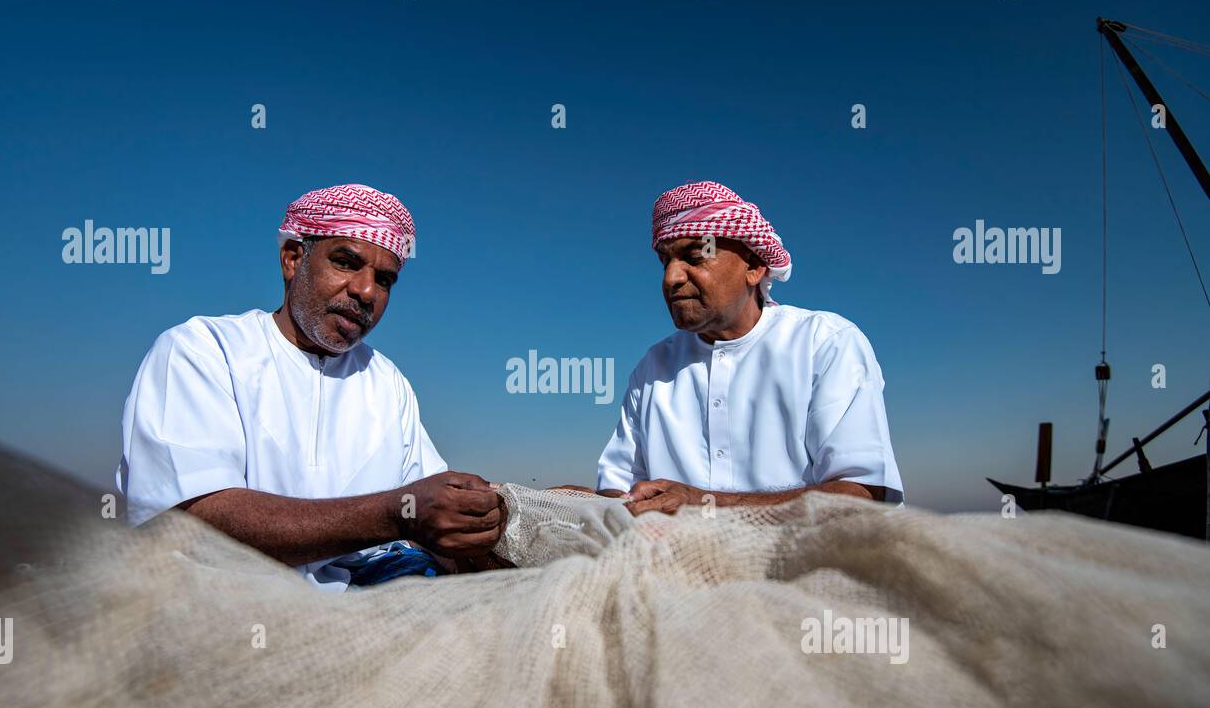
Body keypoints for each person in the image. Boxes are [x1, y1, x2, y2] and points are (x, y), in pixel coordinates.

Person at [116, 184, 505, 589]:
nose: (366, 291)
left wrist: (517, 513)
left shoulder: (387, 382)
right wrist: (394, 515)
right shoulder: (204, 350)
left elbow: (433, 509)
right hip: (220, 614)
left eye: (384, 279)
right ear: (293, 258)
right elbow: (195, 521)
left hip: (365, 610)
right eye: (346, 262)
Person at [595, 180, 904, 516]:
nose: (671, 278)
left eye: (695, 255)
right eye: (664, 261)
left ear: (755, 267)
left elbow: (862, 495)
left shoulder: (825, 344)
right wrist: (578, 502)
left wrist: (703, 504)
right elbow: (619, 488)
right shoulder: (652, 368)